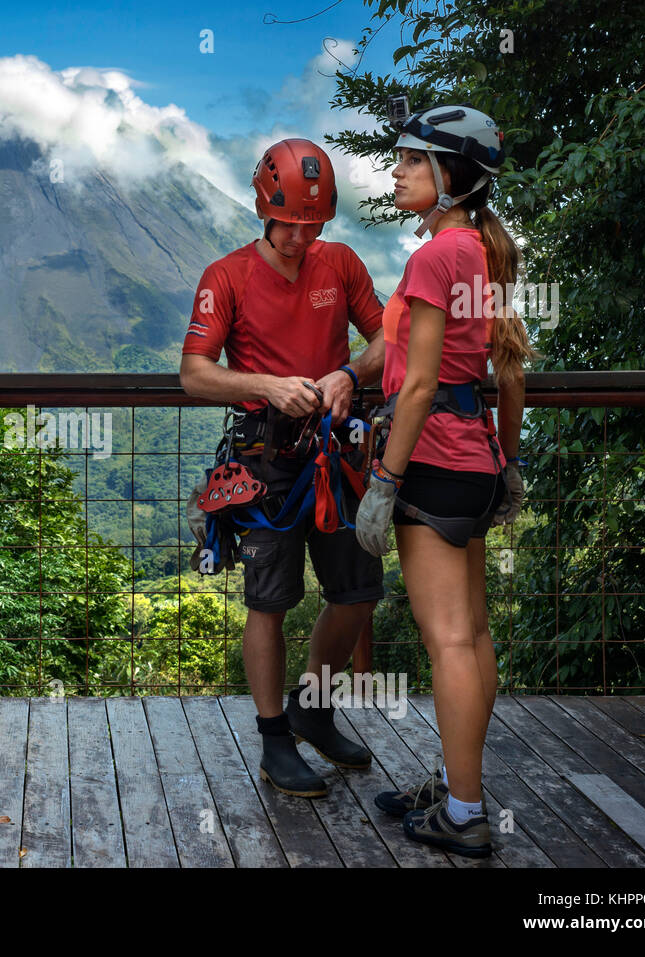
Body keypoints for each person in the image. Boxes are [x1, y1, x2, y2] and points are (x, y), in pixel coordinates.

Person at [354, 102, 537, 856]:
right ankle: (457, 780)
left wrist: (384, 481)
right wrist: (511, 459)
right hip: (474, 461)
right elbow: (508, 369)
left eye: (410, 161)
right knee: (474, 635)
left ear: (449, 174)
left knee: (449, 643)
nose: (396, 171)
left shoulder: (435, 257)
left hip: (429, 460)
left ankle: (464, 814)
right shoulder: (478, 249)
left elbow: (421, 385)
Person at [180, 138, 386, 798]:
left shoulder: (341, 264)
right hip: (265, 458)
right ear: (264, 210)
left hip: (336, 451)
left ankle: (313, 709)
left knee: (356, 591)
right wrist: (268, 386)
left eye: (313, 224)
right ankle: (275, 741)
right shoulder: (227, 276)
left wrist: (349, 371)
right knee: (268, 601)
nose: (300, 237)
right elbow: (194, 373)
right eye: (290, 223)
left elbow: (391, 337)